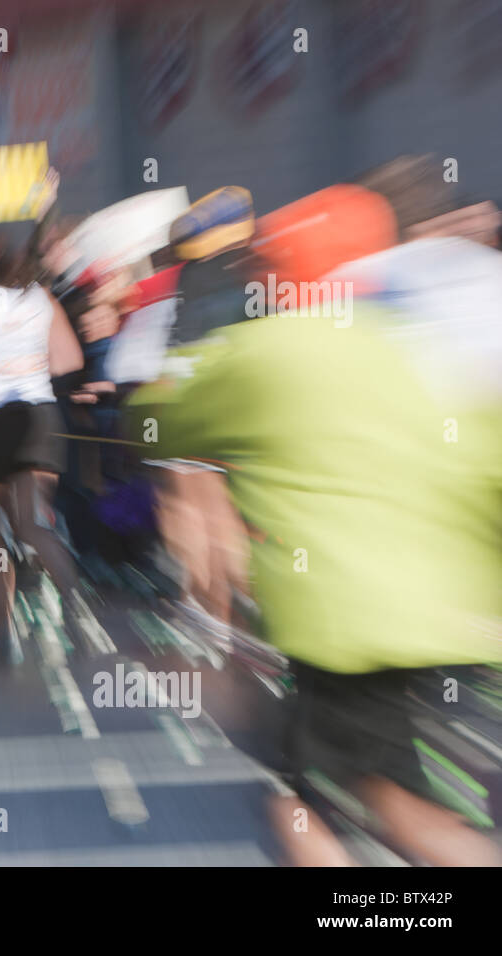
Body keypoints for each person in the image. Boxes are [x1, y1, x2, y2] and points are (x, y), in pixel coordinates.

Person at [129, 184, 502, 866]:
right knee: (332, 786)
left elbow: (162, 414)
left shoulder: (270, 347)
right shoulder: (426, 347)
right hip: (451, 614)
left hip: (348, 625)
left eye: (263, 268)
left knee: (346, 799)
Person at [0, 235, 85, 662]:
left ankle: (3, 632)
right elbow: (69, 361)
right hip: (39, 416)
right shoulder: (43, 299)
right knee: (33, 526)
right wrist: (29, 361)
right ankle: (73, 600)